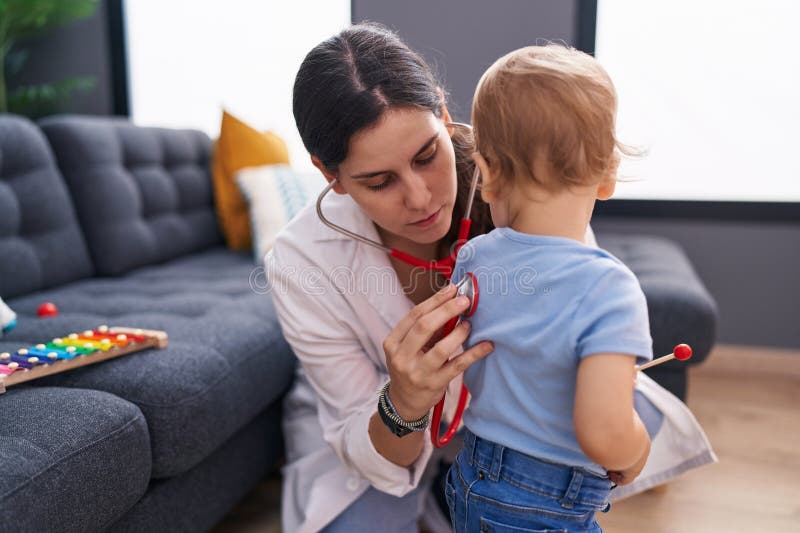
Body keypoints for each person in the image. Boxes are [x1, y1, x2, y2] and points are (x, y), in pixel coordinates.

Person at [266, 23, 715, 533]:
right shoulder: (301, 261)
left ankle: (451, 494)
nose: (419, 198)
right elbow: (360, 430)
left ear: (442, 112)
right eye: (379, 181)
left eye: (426, 156)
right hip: (379, 433)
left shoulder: (521, 179)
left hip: (507, 435)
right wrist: (404, 402)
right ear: (331, 176)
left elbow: (579, 348)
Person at [445, 43, 652, 533]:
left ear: (486, 175)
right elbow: (603, 430)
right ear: (608, 176)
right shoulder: (611, 288)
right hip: (546, 500)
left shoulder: (473, 259)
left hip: (472, 475)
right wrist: (638, 448)